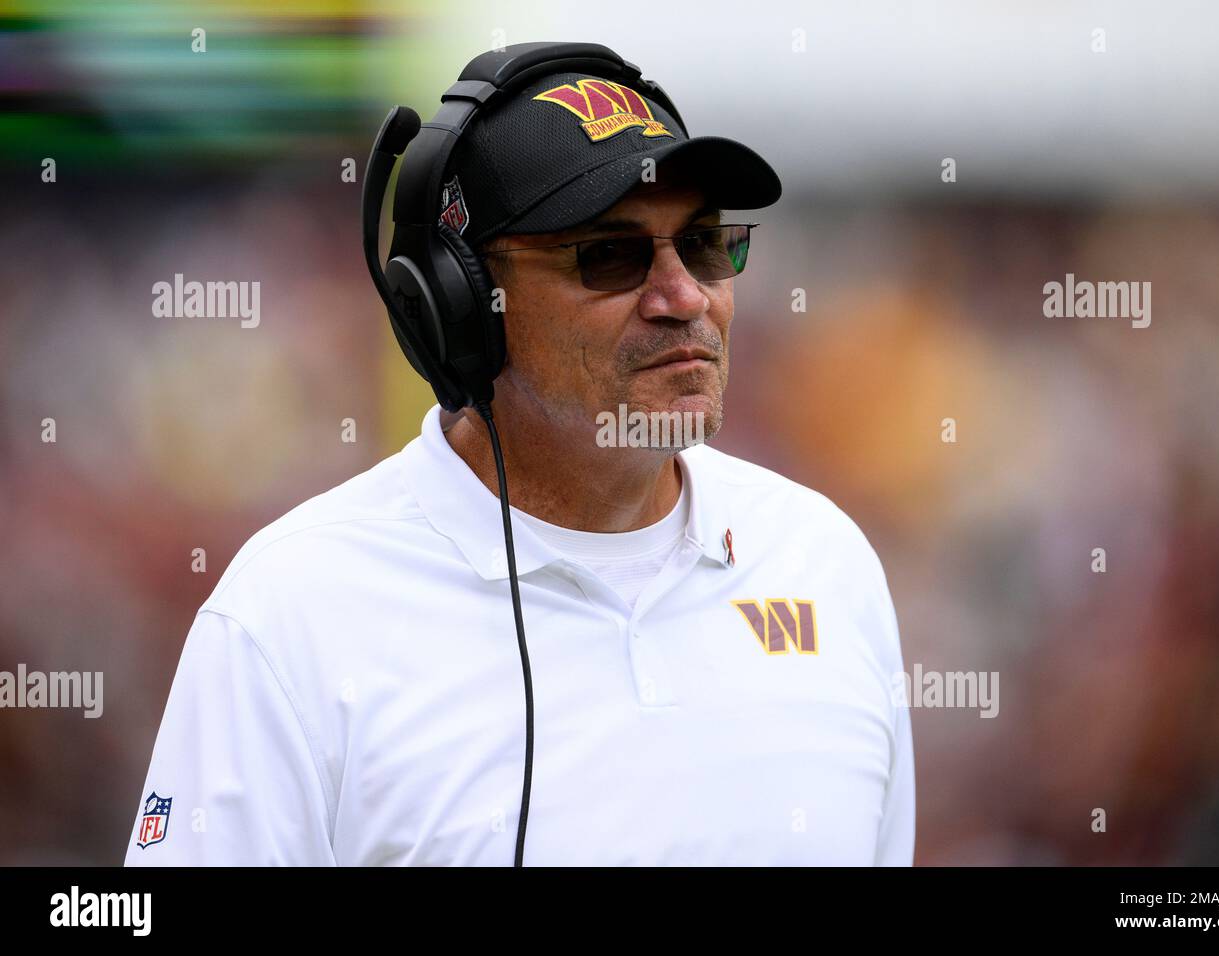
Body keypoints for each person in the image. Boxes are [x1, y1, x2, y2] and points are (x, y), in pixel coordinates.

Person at [124, 56, 914, 866]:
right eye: (610, 256)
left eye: (705, 245)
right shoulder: (289, 615)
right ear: (457, 302)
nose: (684, 297)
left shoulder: (826, 563)